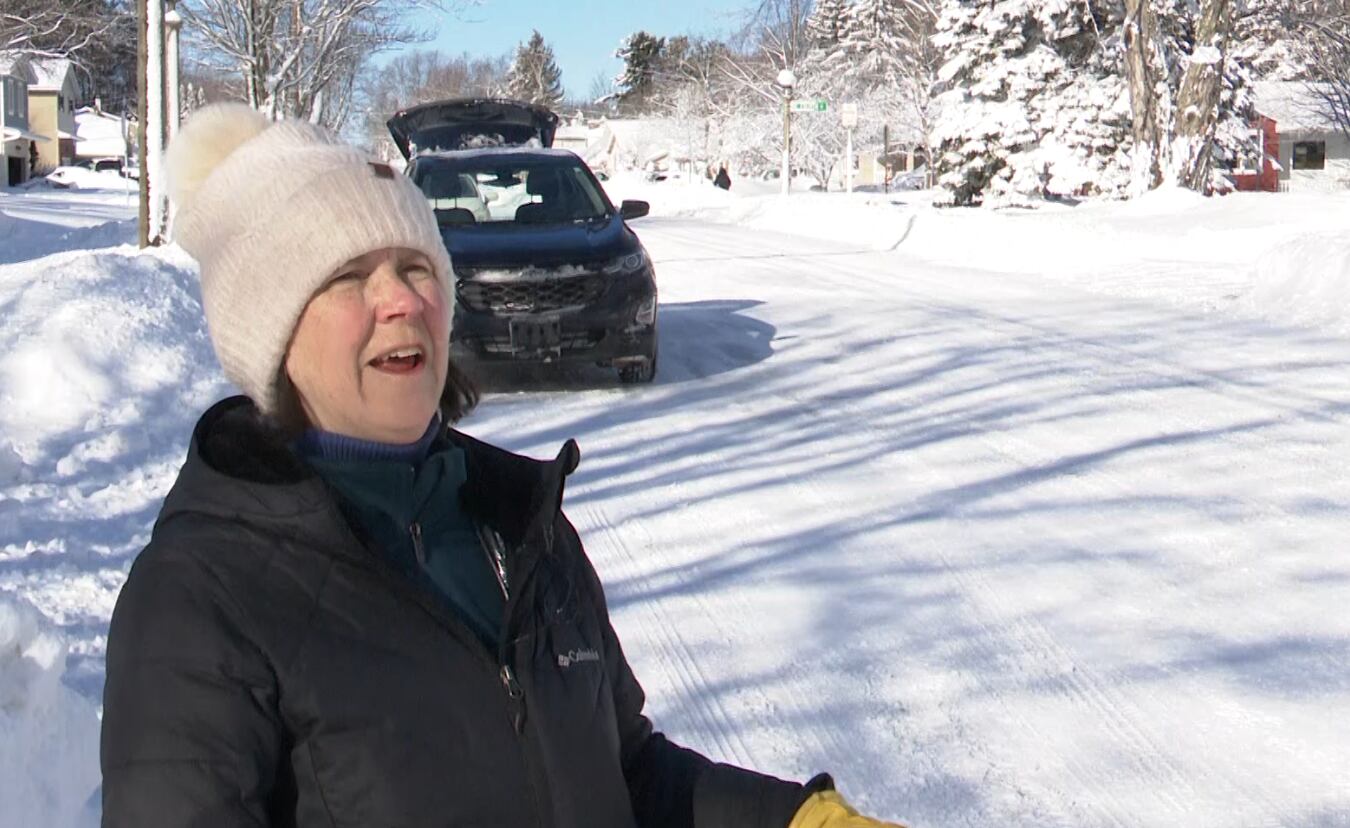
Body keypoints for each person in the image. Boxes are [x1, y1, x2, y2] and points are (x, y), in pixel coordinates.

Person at [99, 103, 903, 828]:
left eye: (416, 268)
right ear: (270, 336)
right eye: (347, 278)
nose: (402, 301)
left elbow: (622, 772)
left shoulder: (521, 525)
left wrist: (794, 820)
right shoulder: (201, 595)